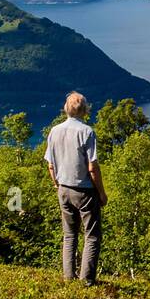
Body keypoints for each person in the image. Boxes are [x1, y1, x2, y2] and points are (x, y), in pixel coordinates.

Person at [44, 92, 107, 285]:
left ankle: (68, 279)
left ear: (66, 109)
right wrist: (102, 193)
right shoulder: (87, 132)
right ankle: (86, 281)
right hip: (84, 190)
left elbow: (50, 165)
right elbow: (92, 167)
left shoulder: (55, 131)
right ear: (85, 110)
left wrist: (56, 184)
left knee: (69, 235)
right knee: (92, 235)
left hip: (63, 189)